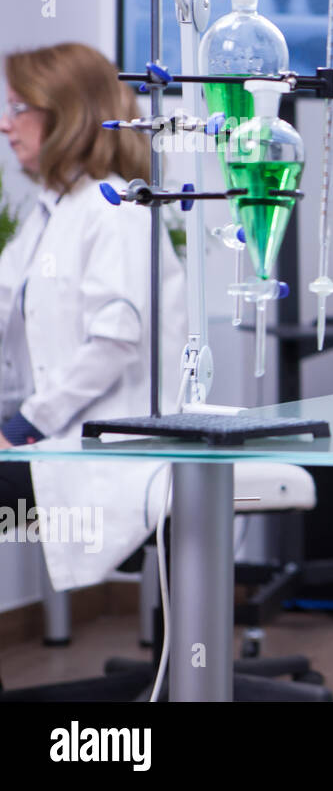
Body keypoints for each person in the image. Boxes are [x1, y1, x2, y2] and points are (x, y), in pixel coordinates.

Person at [0, 42, 185, 594]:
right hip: (54, 438)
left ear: (66, 115)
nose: (5, 126)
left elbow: (113, 340)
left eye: (17, 109)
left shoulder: (116, 208)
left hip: (108, 453)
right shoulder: (51, 213)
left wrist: (23, 424)